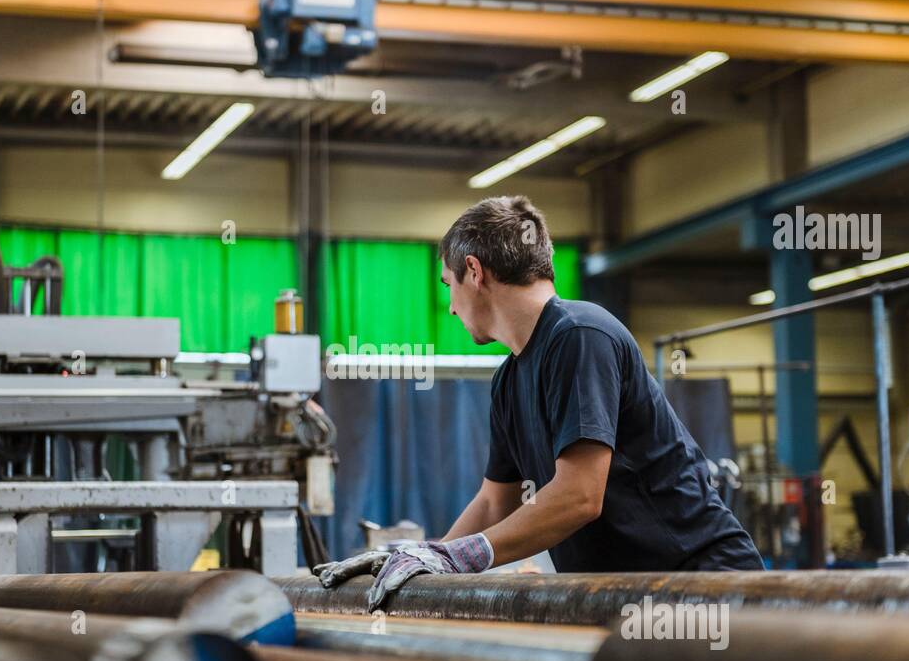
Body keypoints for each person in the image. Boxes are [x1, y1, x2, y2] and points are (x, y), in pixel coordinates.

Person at [313, 195, 761, 610]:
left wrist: (463, 557)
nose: (450, 307)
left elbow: (580, 496)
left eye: (448, 284)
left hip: (703, 585)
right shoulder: (509, 380)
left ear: (474, 271)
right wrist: (424, 558)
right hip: (630, 594)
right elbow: (493, 502)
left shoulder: (582, 335)